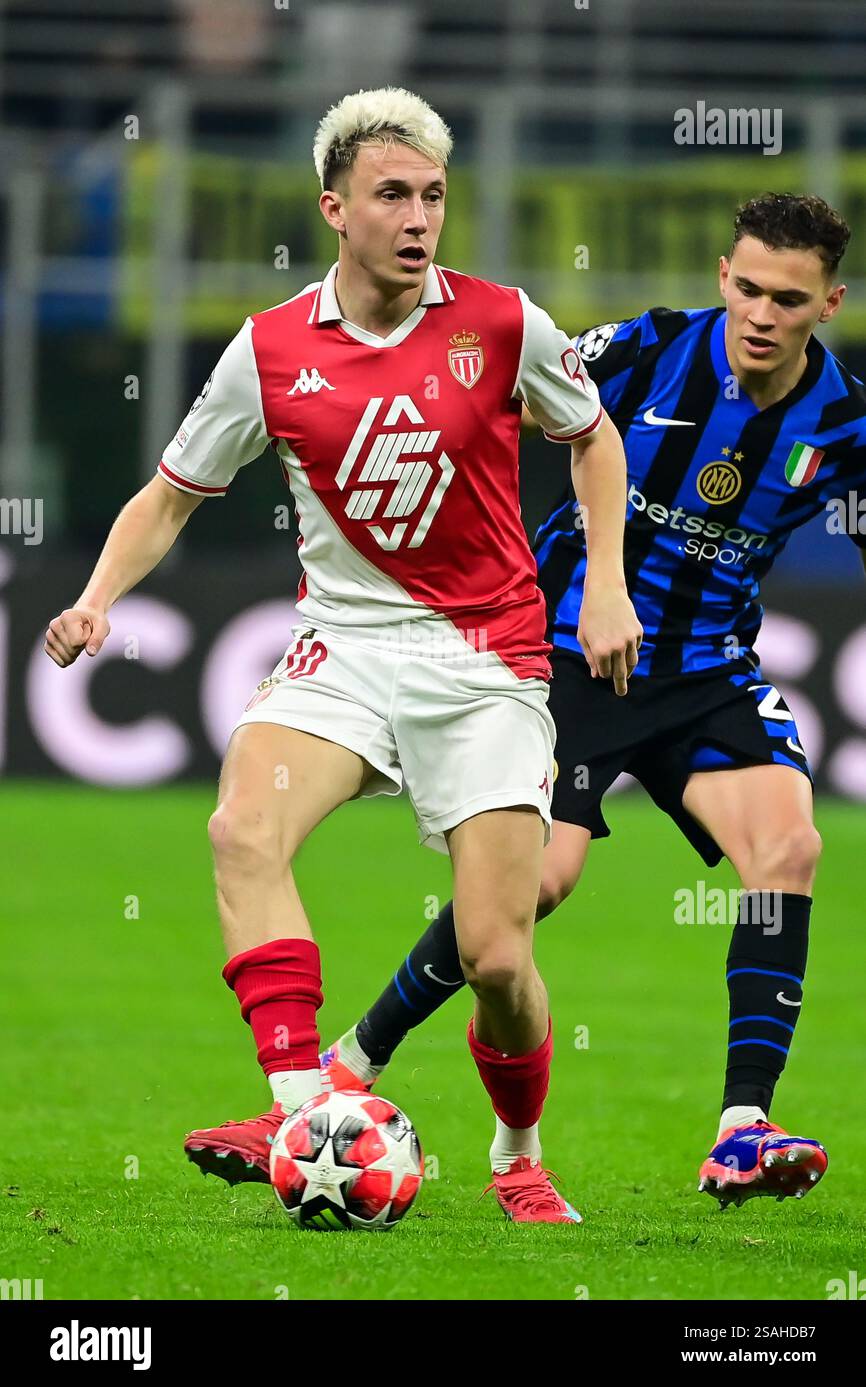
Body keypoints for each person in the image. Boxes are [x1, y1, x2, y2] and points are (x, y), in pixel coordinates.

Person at [43, 87, 640, 1224]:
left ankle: (517, 1152)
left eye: (433, 197)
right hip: (346, 648)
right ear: (333, 208)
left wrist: (603, 583)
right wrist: (95, 600)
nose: (418, 219)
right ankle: (302, 1103)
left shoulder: (504, 323)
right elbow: (170, 496)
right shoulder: (269, 350)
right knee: (241, 828)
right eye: (392, 196)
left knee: (495, 956)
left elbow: (593, 439)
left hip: (485, 658)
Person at [322, 192, 866, 1210]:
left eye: (788, 300)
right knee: (533, 889)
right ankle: (351, 1062)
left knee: (788, 848)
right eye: (747, 288)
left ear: (828, 304)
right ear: (721, 276)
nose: (760, 314)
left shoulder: (843, 424)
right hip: (568, 655)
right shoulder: (647, 349)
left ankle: (741, 1130)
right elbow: (509, 402)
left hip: (706, 671)